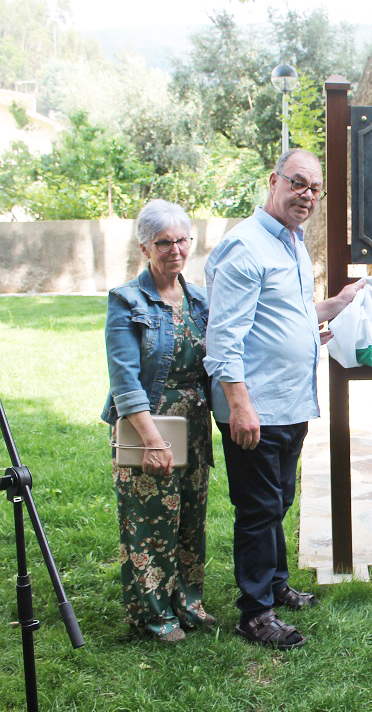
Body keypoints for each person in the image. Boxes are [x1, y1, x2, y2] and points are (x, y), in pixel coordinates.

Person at [204, 148, 362, 650]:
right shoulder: (245, 248)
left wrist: (333, 306)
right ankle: (255, 613)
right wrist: (239, 406)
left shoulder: (292, 244)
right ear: (274, 181)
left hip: (291, 403)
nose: (307, 196)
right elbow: (223, 338)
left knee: (279, 501)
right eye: (298, 184)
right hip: (257, 406)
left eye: (315, 189)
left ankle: (275, 586)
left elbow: (284, 312)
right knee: (257, 510)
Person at [102, 199, 215, 643]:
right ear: (146, 247)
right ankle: (153, 615)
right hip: (148, 422)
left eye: (182, 240)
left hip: (195, 426)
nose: (176, 250)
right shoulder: (127, 300)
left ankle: (188, 602)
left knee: (190, 518)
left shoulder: (198, 301)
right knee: (148, 521)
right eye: (164, 242)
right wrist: (150, 441)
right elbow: (124, 378)